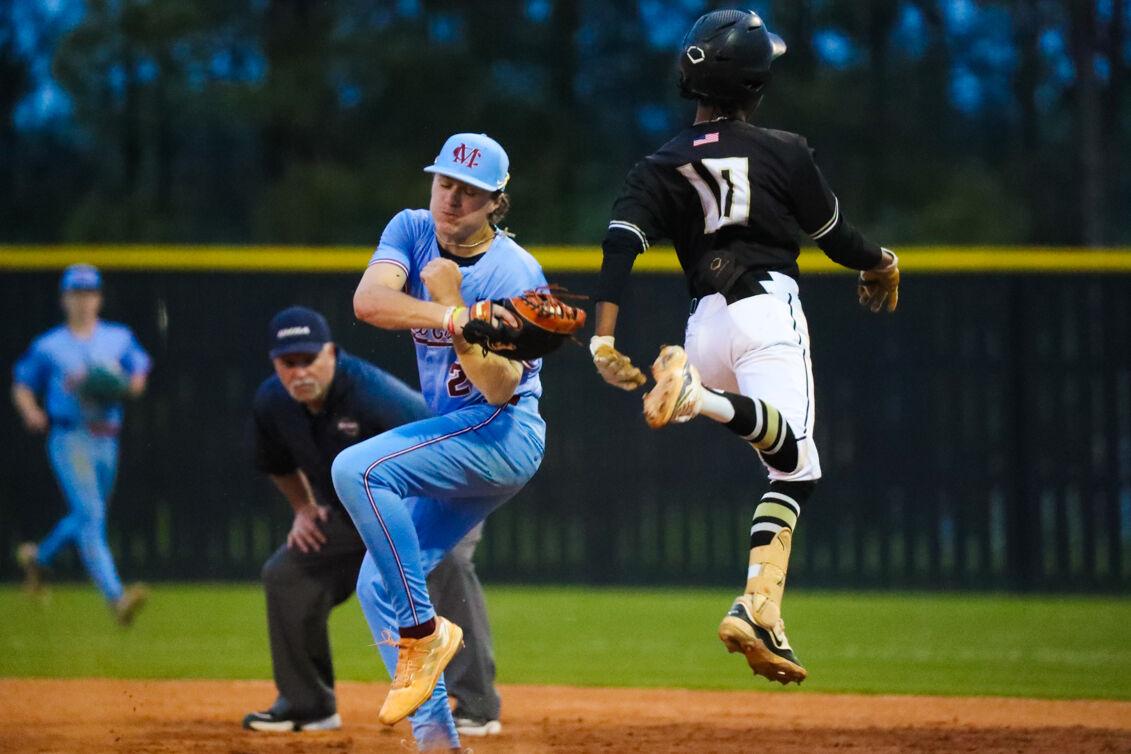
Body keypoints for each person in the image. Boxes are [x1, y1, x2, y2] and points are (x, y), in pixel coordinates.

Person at [590, 10, 901, 686]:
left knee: (787, 469)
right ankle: (698, 398)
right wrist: (882, 262)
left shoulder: (659, 162)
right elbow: (838, 239)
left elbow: (620, 245)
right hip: (764, 309)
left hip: (702, 324)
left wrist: (603, 337)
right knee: (798, 462)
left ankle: (760, 610)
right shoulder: (784, 150)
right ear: (756, 85)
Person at [331, 132, 547, 751]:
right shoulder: (411, 227)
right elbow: (370, 302)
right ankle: (438, 740)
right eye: (445, 182)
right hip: (455, 435)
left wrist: (459, 311)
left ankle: (423, 636)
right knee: (376, 584)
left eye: (469, 191)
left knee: (356, 469)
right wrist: (456, 315)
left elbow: (500, 388)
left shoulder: (515, 272)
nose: (451, 199)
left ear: (495, 202)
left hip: (503, 434)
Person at [244, 305, 504, 736]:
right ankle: (308, 706)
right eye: (288, 362)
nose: (299, 371)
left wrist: (434, 526)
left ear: (332, 353)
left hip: (428, 504)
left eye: (309, 359)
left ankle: (477, 706)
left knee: (447, 566)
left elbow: (445, 445)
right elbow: (276, 462)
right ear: (275, 364)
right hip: (352, 518)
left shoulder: (374, 395)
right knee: (287, 574)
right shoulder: (273, 401)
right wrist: (303, 508)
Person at [12, 263, 152, 626]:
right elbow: (23, 383)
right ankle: (117, 599)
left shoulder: (118, 338)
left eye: (89, 293)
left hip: (107, 437)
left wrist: (124, 384)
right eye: (76, 293)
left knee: (87, 516)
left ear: (99, 298)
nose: (83, 300)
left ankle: (38, 558)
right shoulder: (49, 346)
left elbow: (138, 373)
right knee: (91, 516)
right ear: (64, 299)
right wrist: (31, 411)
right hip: (69, 435)